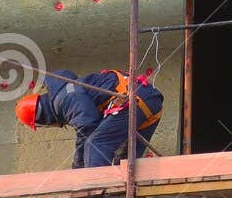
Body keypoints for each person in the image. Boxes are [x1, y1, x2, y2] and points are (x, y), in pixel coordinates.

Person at [15, 67, 163, 169]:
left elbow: (88, 126)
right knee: (123, 164)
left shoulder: (64, 98)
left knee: (95, 143)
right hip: (150, 103)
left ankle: (96, 193)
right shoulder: (68, 90)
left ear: (43, 119)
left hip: (133, 100)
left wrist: (79, 170)